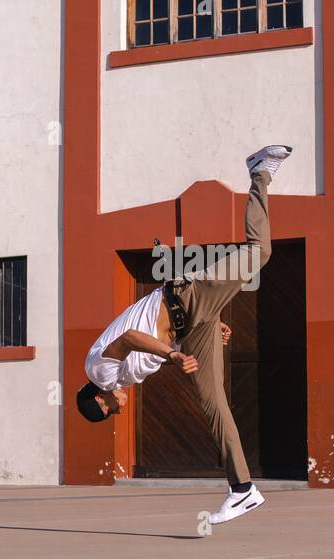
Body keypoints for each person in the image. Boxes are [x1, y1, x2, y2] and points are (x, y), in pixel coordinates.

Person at [76, 144, 292, 524]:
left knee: (260, 252)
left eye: (109, 409)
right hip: (192, 321)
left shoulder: (100, 373)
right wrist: (208, 323)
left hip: (185, 298)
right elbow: (149, 331)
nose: (118, 409)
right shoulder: (118, 376)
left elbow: (130, 338)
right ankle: (242, 489)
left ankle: (260, 172)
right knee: (214, 404)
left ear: (100, 399)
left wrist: (174, 354)